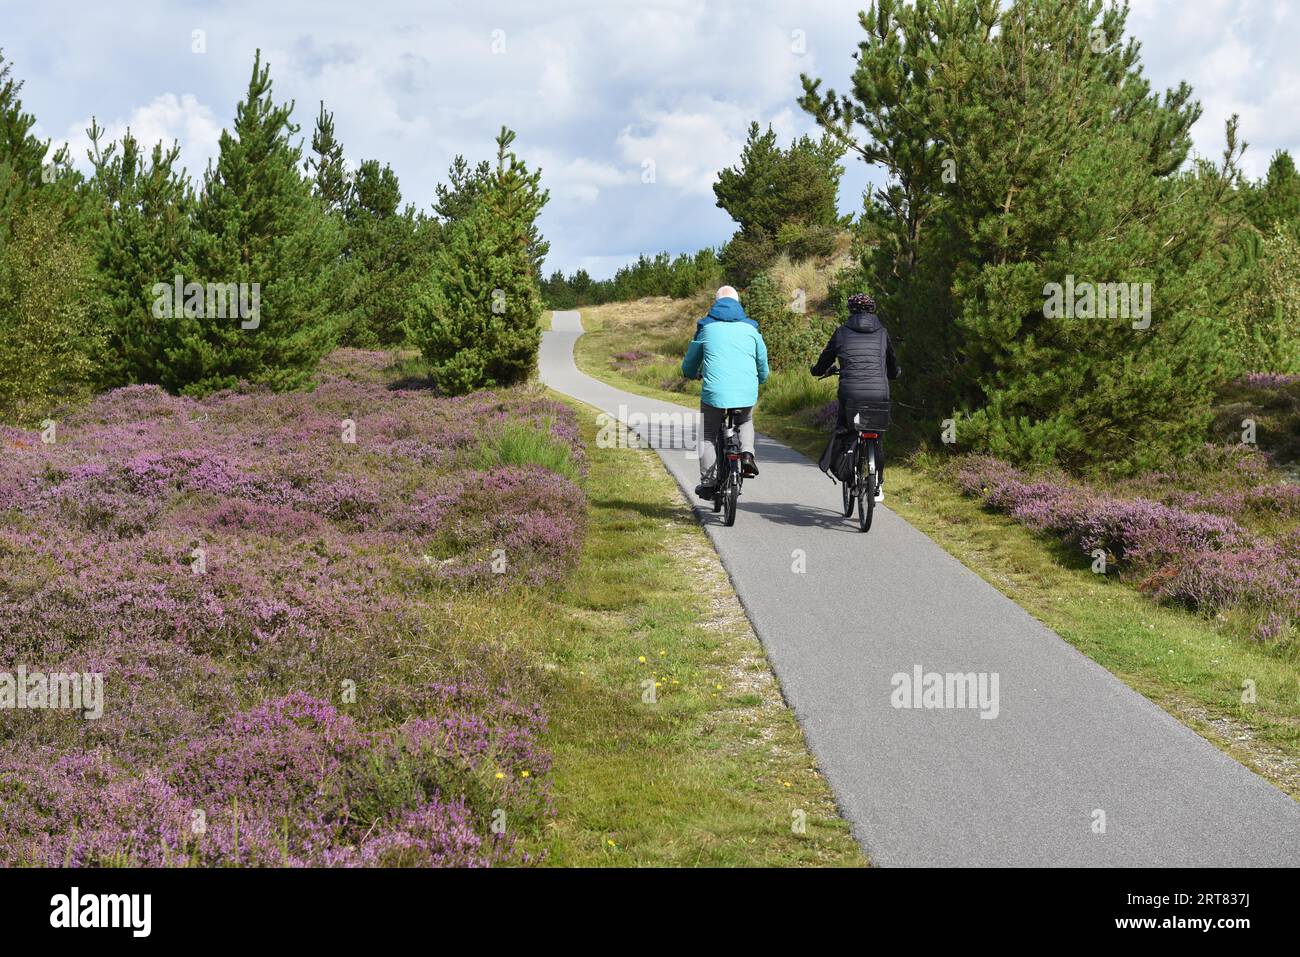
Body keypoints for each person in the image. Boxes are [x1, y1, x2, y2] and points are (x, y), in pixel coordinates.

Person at [810, 293, 900, 501]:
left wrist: (817, 370)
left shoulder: (842, 332)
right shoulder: (882, 333)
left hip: (851, 394)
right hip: (879, 394)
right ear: (872, 311)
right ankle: (877, 482)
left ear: (851, 310)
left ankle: (849, 471)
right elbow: (892, 363)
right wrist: (895, 374)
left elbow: (825, 359)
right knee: (877, 437)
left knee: (847, 429)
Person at [682, 286, 769, 499]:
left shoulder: (706, 328)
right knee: (745, 421)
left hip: (715, 393)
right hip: (745, 391)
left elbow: (690, 363)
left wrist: (690, 373)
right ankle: (747, 454)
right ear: (738, 304)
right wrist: (762, 378)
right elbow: (762, 363)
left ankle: (709, 483)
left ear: (716, 303)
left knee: (708, 434)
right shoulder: (752, 329)